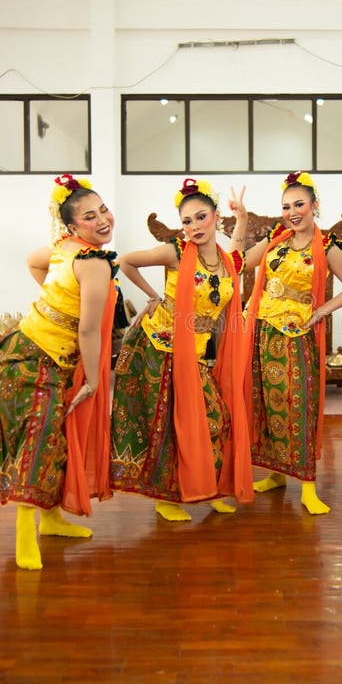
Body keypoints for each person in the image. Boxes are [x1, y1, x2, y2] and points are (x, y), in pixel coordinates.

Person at [0, 174, 119, 570]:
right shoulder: (93, 263)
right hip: (31, 359)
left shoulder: (65, 248)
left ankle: (52, 518)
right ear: (74, 227)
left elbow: (33, 261)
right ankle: (25, 533)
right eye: (90, 217)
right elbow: (88, 330)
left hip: (30, 352)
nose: (102, 220)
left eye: (103, 210)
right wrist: (94, 380)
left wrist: (57, 300)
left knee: (57, 440)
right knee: (38, 440)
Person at [110, 178, 252, 521]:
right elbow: (125, 261)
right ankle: (166, 499)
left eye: (201, 217)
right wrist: (153, 296)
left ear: (216, 217)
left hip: (196, 353)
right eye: (187, 221)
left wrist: (243, 217)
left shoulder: (227, 261)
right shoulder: (175, 251)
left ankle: (210, 487)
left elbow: (236, 244)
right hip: (158, 347)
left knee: (215, 418)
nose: (194, 227)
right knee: (167, 425)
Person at [230, 170, 342, 514]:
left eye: (299, 204)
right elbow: (237, 264)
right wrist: (241, 220)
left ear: (314, 205)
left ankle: (307, 485)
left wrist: (321, 311)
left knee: (298, 407)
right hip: (261, 332)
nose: (292, 212)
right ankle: (276, 474)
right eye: (286, 206)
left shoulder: (327, 246)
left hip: (296, 337)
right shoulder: (276, 238)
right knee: (265, 404)